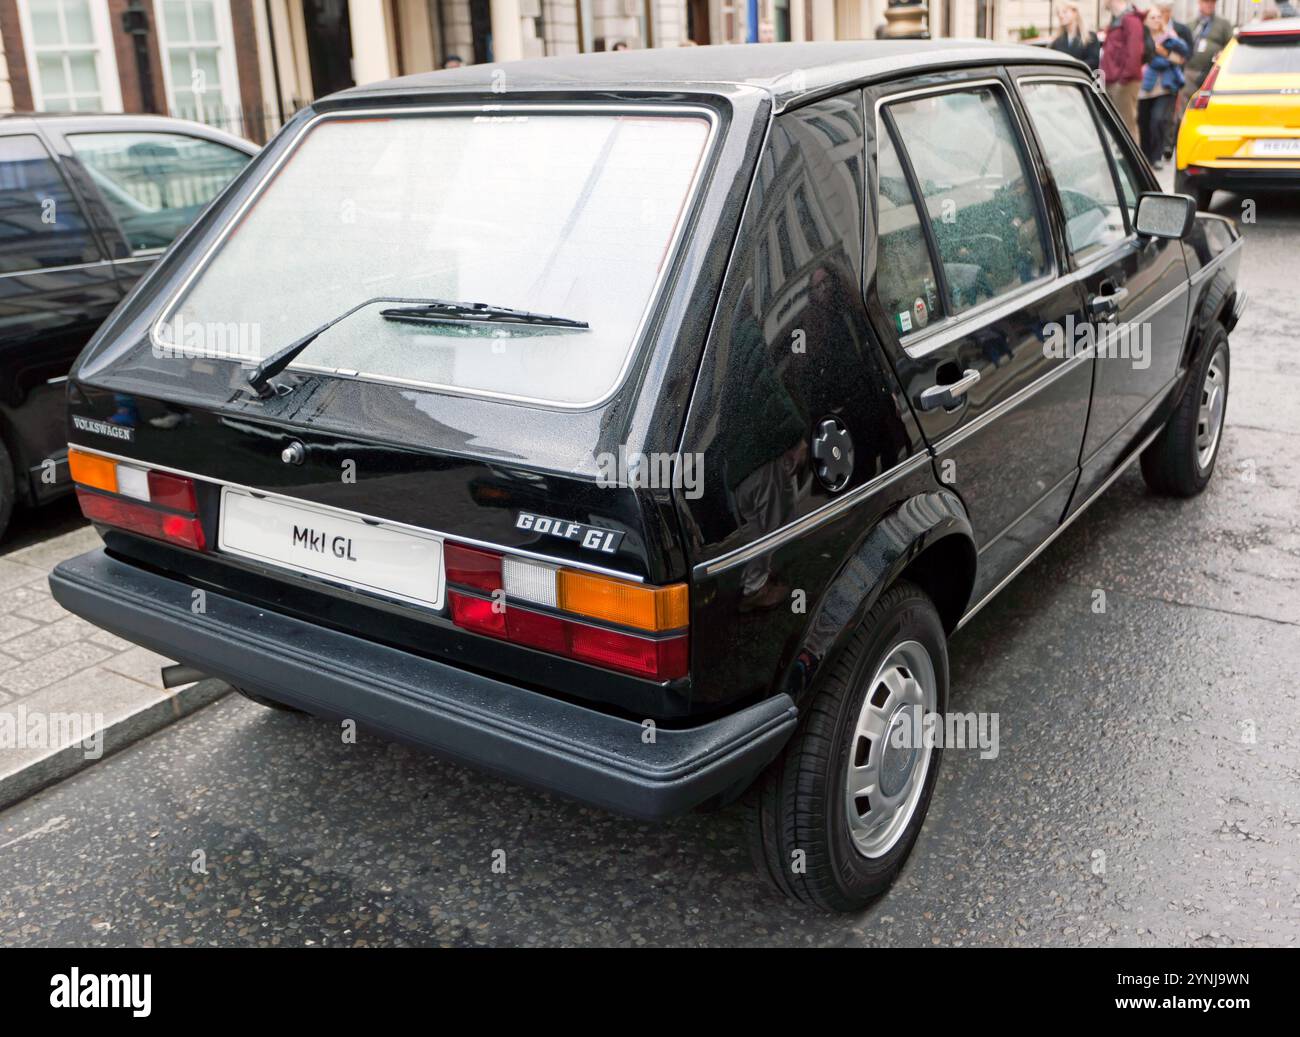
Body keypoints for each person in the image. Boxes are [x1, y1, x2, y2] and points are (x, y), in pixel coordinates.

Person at [1138, 6, 1188, 168]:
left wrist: (1164, 54)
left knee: (1158, 120)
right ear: (1145, 20)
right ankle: (1145, 157)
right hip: (1144, 87)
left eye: (1159, 17)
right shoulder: (1140, 38)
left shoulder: (1170, 37)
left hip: (1165, 87)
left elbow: (1180, 59)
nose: (1156, 20)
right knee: (1143, 122)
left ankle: (1156, 156)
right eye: (1152, 17)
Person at [1101, 0, 1146, 142]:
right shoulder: (1118, 20)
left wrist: (1123, 80)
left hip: (1123, 83)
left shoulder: (1130, 20)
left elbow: (1134, 53)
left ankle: (1133, 164)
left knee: (1127, 128)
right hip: (1113, 81)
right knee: (1116, 128)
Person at [1050, 2, 1100, 70]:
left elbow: (1094, 62)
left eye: (1064, 12)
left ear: (1075, 12)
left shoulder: (1090, 37)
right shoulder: (1057, 41)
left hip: (1081, 79)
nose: (1060, 15)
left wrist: (1074, 67)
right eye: (1058, 13)